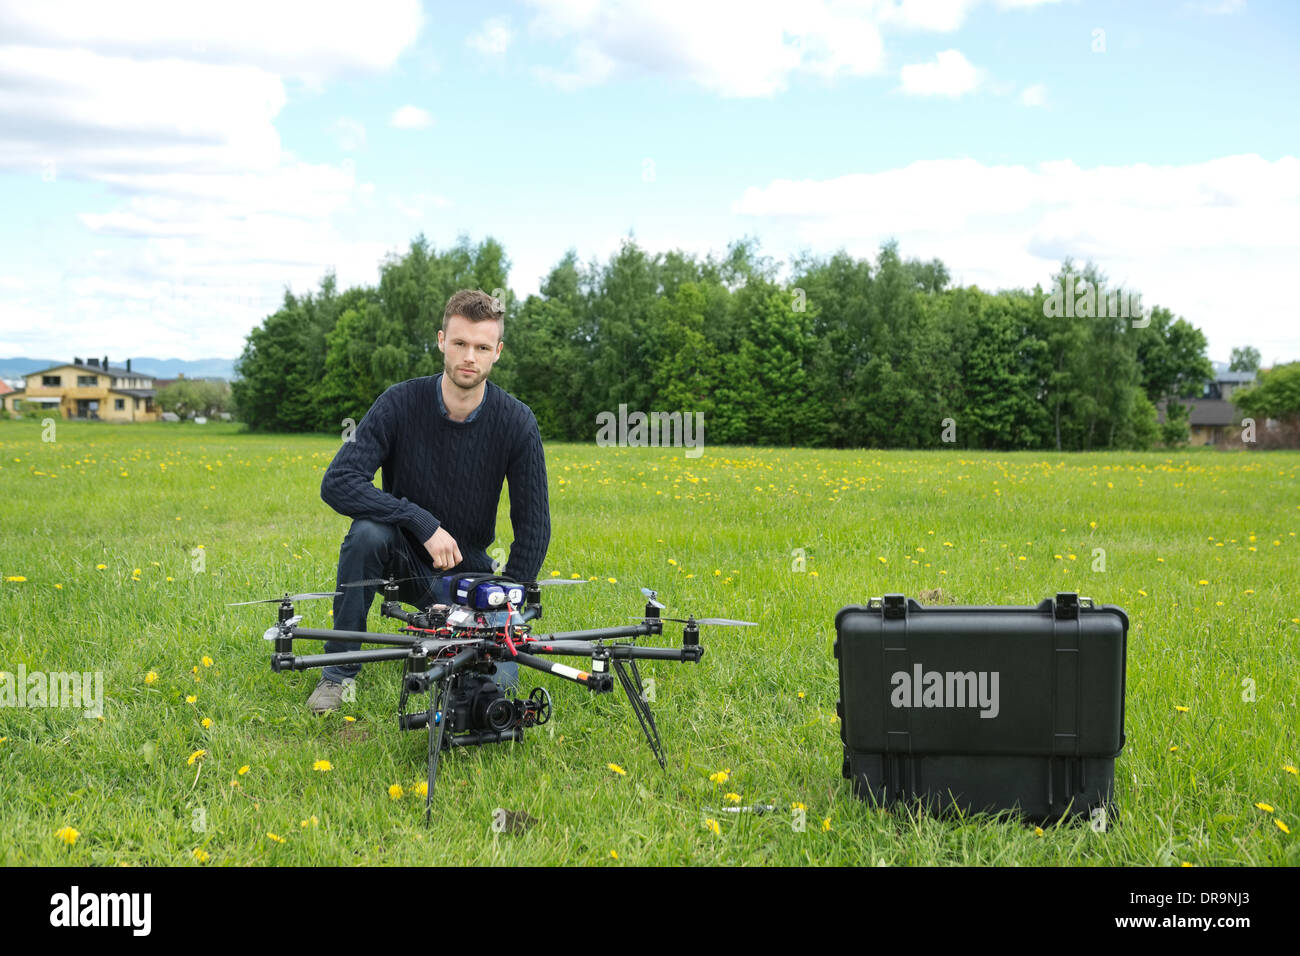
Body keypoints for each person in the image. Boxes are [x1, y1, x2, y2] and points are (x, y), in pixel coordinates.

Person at [308, 288, 551, 713]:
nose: (468, 357)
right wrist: (419, 520)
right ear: (442, 341)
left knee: (497, 693)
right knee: (367, 533)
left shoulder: (517, 421)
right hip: (404, 564)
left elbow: (534, 525)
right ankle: (338, 672)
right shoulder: (399, 402)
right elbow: (339, 482)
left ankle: (447, 633)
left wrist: (506, 598)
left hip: (471, 578)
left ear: (498, 352)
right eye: (459, 343)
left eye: (481, 347)